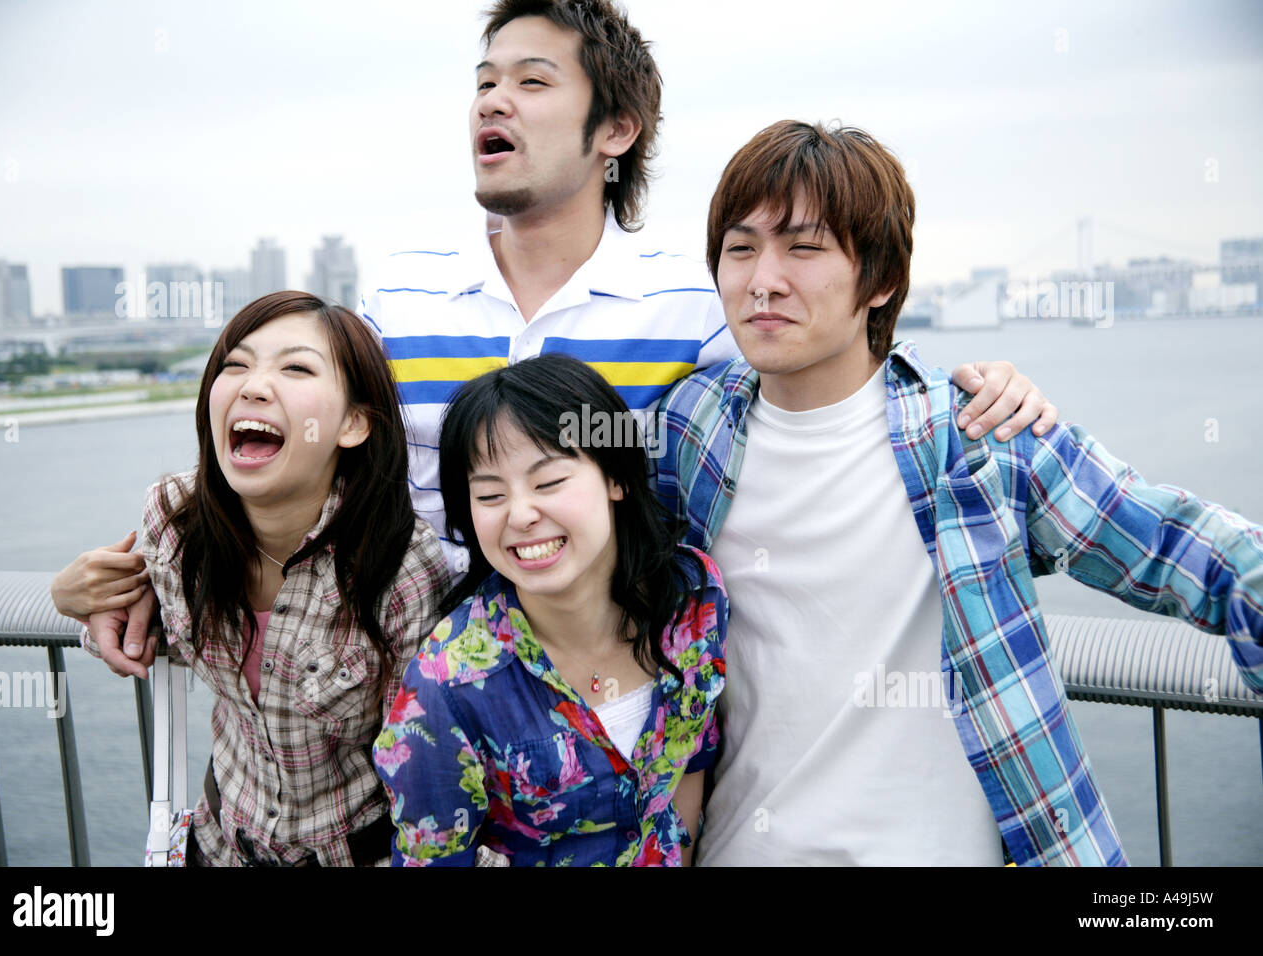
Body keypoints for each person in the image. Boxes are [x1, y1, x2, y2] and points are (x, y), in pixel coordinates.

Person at [52, 0, 1051, 661]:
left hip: (613, 737)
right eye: (486, 80)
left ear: (616, 131)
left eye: (533, 81)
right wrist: (145, 563)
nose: (493, 98)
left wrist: (975, 389)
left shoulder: (696, 311)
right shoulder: (399, 299)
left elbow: (813, 416)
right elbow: (285, 459)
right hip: (409, 721)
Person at [654, 120, 1263, 866]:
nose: (763, 278)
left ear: (878, 280)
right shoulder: (691, 432)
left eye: (804, 248)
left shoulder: (976, 438)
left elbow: (1191, 551)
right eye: (741, 247)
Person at [82, 291, 451, 865]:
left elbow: (427, 763)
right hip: (221, 842)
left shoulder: (399, 566)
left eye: (296, 367)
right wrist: (88, 603)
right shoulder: (175, 519)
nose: (253, 385)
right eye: (236, 364)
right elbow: (147, 616)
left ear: (353, 422)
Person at [372, 353, 727, 866]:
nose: (520, 515)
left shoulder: (693, 599)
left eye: (549, 482)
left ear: (615, 478)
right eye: (490, 495)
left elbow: (692, 760)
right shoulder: (446, 686)